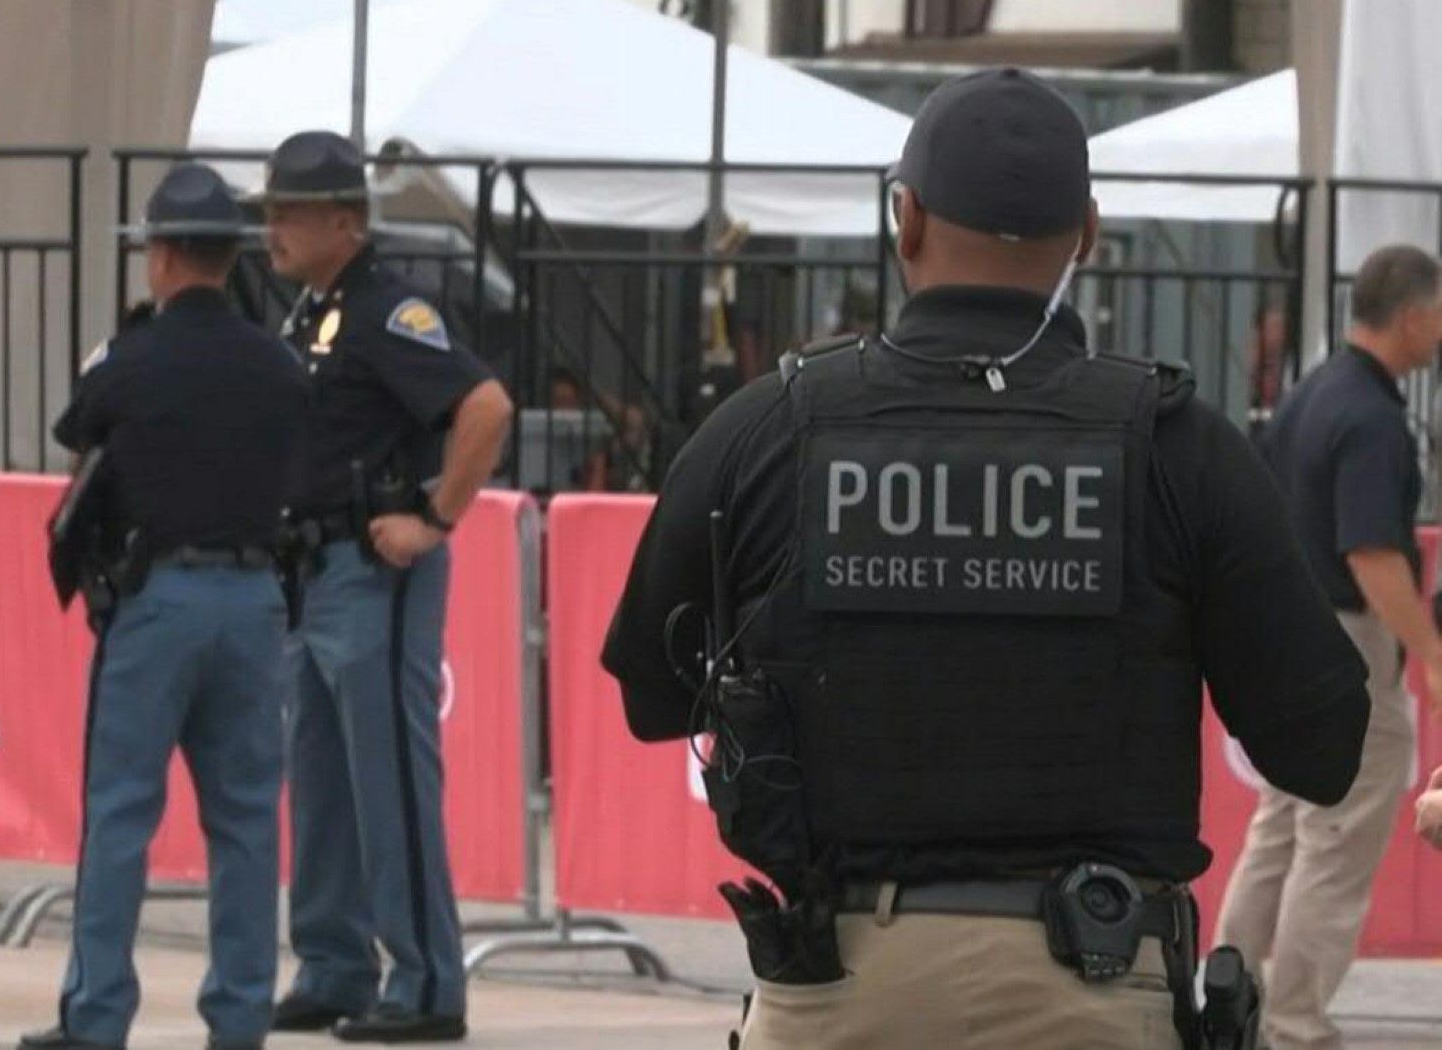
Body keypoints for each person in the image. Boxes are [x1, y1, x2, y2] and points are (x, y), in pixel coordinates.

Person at [599, 68, 1372, 1050]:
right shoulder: (1177, 444)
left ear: (906, 218)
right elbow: (1323, 744)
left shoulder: (768, 429)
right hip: (1092, 990)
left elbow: (649, 697)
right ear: (1087, 235)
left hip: (836, 989)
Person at [18, 163, 309, 1050]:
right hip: (257, 602)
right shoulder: (280, 365)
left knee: (119, 817)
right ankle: (240, 1021)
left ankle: (98, 1017)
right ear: (230, 258)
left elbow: (81, 475)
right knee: (249, 823)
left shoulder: (126, 361)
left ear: (161, 257)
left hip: (158, 604)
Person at [261, 130, 513, 1044]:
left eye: (289, 212)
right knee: (323, 778)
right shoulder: (313, 311)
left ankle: (425, 982)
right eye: (269, 210)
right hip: (312, 571)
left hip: (374, 571)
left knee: (391, 776)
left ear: (345, 220)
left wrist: (438, 516)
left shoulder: (386, 311)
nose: (272, 228)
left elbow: (484, 407)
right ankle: (332, 964)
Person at [1213, 244, 1442, 1050]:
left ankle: (1226, 996)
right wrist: (1433, 655)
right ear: (1413, 315)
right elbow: (1373, 553)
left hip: (1295, 635)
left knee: (1281, 825)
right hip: (1351, 641)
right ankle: (1294, 1022)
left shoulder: (1311, 395)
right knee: (1336, 838)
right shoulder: (1375, 420)